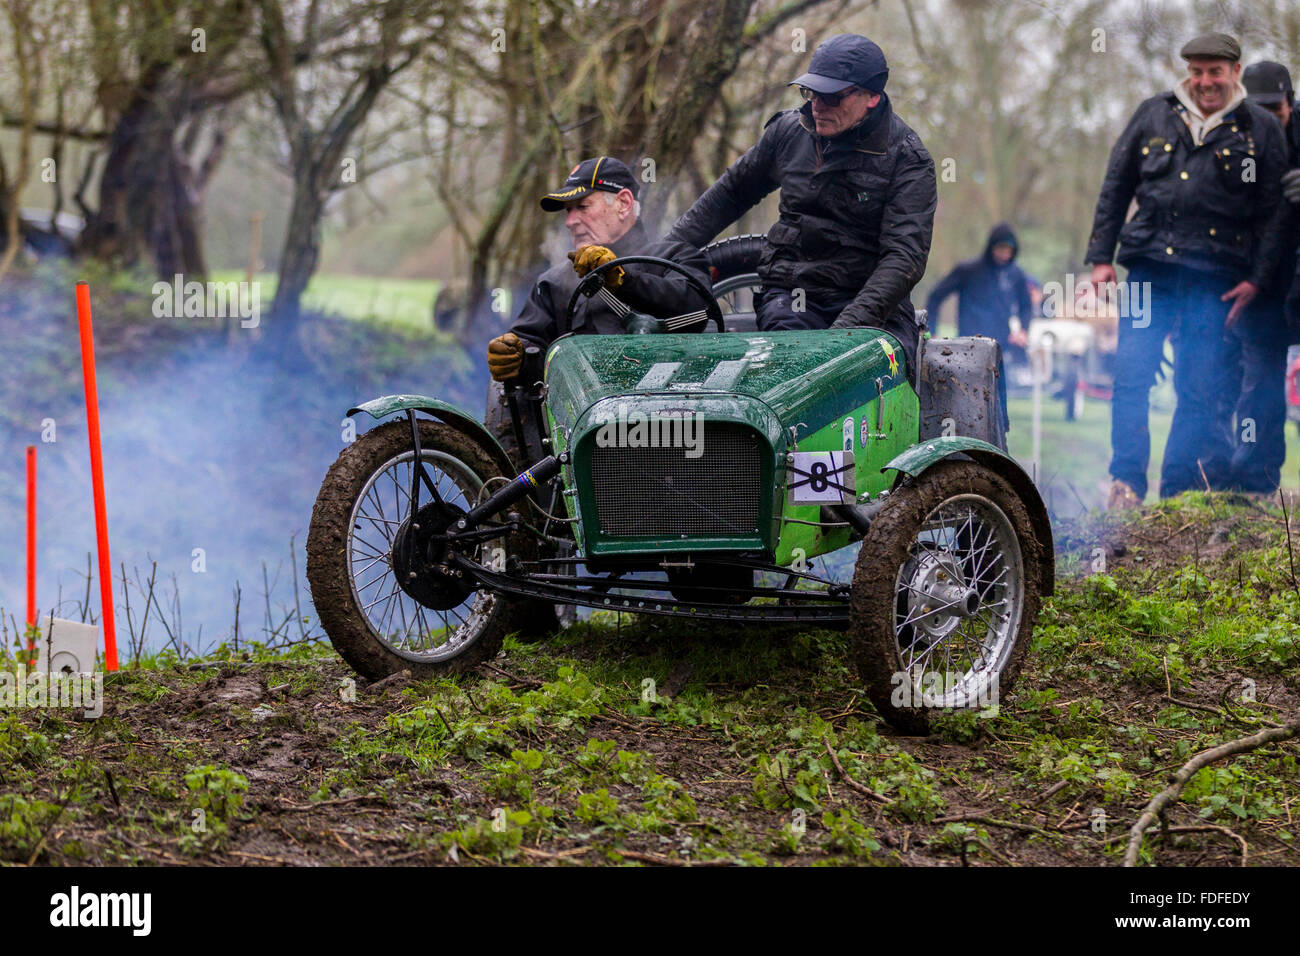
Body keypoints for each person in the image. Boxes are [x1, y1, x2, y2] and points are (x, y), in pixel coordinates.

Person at [1084, 33, 1290, 509]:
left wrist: (1258, 277)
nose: (1204, 82)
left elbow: (1274, 211)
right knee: (1131, 377)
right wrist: (1100, 258)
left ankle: (1178, 491)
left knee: (1199, 385)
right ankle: (1126, 483)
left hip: (1216, 277)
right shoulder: (1153, 113)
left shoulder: (1260, 129)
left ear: (1235, 71)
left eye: (1214, 71)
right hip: (1148, 269)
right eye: (1196, 71)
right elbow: (1117, 184)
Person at [665, 33, 936, 376]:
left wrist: (844, 333)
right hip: (793, 293)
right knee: (793, 369)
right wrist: (663, 254)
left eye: (832, 97)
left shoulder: (908, 160)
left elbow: (904, 259)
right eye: (810, 93)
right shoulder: (788, 134)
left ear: (871, 97)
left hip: (870, 304)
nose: (817, 106)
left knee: (867, 377)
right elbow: (730, 194)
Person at [486, 156, 711, 381]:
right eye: (568, 211)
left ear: (623, 204)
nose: (570, 221)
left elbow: (698, 308)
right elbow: (532, 347)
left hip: (671, 410)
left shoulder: (676, 257)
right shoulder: (553, 283)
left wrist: (624, 279)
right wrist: (519, 357)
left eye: (582, 207)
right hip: (584, 413)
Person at [1220, 61, 1300, 493]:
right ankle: (1254, 479)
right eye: (1262, 109)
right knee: (1259, 384)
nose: (1271, 117)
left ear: (1290, 101)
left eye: (1278, 108)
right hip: (1264, 283)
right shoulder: (1236, 138)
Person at [925, 222, 1034, 353]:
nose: (1005, 253)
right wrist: (932, 331)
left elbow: (1026, 305)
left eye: (1009, 249)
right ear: (992, 247)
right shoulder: (968, 271)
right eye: (1001, 247)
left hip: (1001, 348)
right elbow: (935, 296)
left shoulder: (1016, 275)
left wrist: (1023, 331)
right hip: (968, 346)